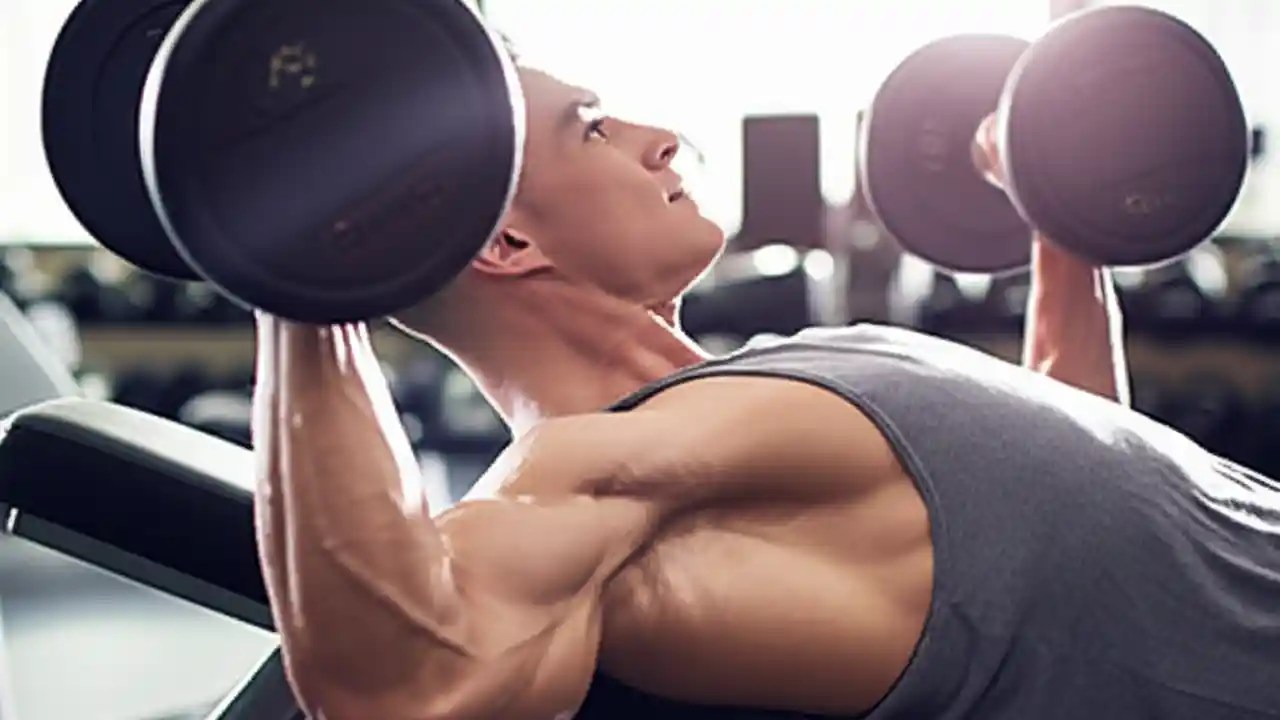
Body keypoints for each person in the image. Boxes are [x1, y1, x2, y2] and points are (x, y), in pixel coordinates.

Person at [249, 46, 1280, 720]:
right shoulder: (594, 468)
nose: (659, 136)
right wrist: (299, 278)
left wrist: (1054, 210)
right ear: (507, 242)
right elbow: (408, 687)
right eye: (591, 127)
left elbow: (1081, 472)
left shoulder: (792, 367)